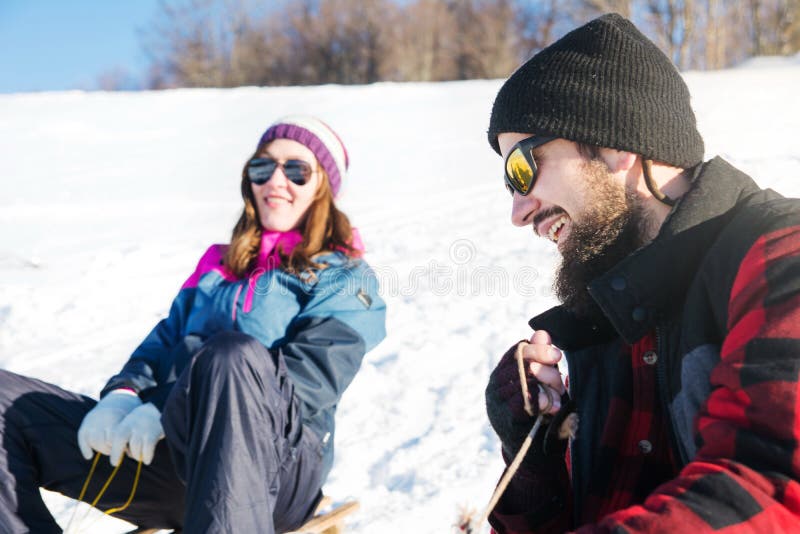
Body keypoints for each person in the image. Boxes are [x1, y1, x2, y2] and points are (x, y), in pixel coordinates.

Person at [484, 13, 800, 533]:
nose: (517, 211)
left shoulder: (779, 255)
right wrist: (531, 453)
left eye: (522, 168)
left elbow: (772, 486)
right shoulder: (602, 325)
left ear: (613, 143)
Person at [0, 115, 386, 533]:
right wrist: (124, 396)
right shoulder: (215, 268)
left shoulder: (344, 275)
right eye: (263, 166)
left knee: (232, 357)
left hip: (274, 472)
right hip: (169, 460)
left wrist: (166, 404)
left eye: (296, 170)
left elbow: (309, 382)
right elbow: (162, 344)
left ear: (322, 188)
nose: (276, 180)